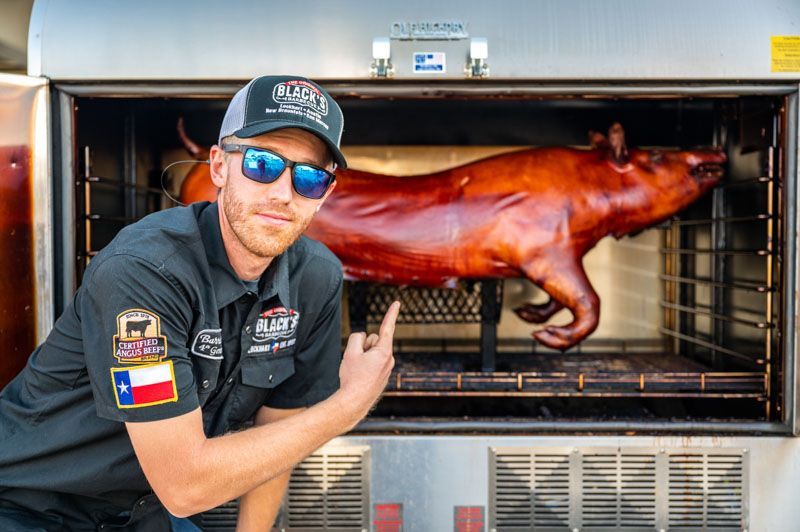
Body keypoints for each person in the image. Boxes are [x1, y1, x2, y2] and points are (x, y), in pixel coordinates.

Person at [0, 75, 398, 531]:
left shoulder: (315, 278)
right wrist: (347, 407)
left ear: (324, 194)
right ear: (219, 167)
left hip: (143, 512)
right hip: (31, 507)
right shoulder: (145, 271)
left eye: (308, 177)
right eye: (262, 164)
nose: (283, 193)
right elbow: (186, 486)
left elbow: (279, 434)